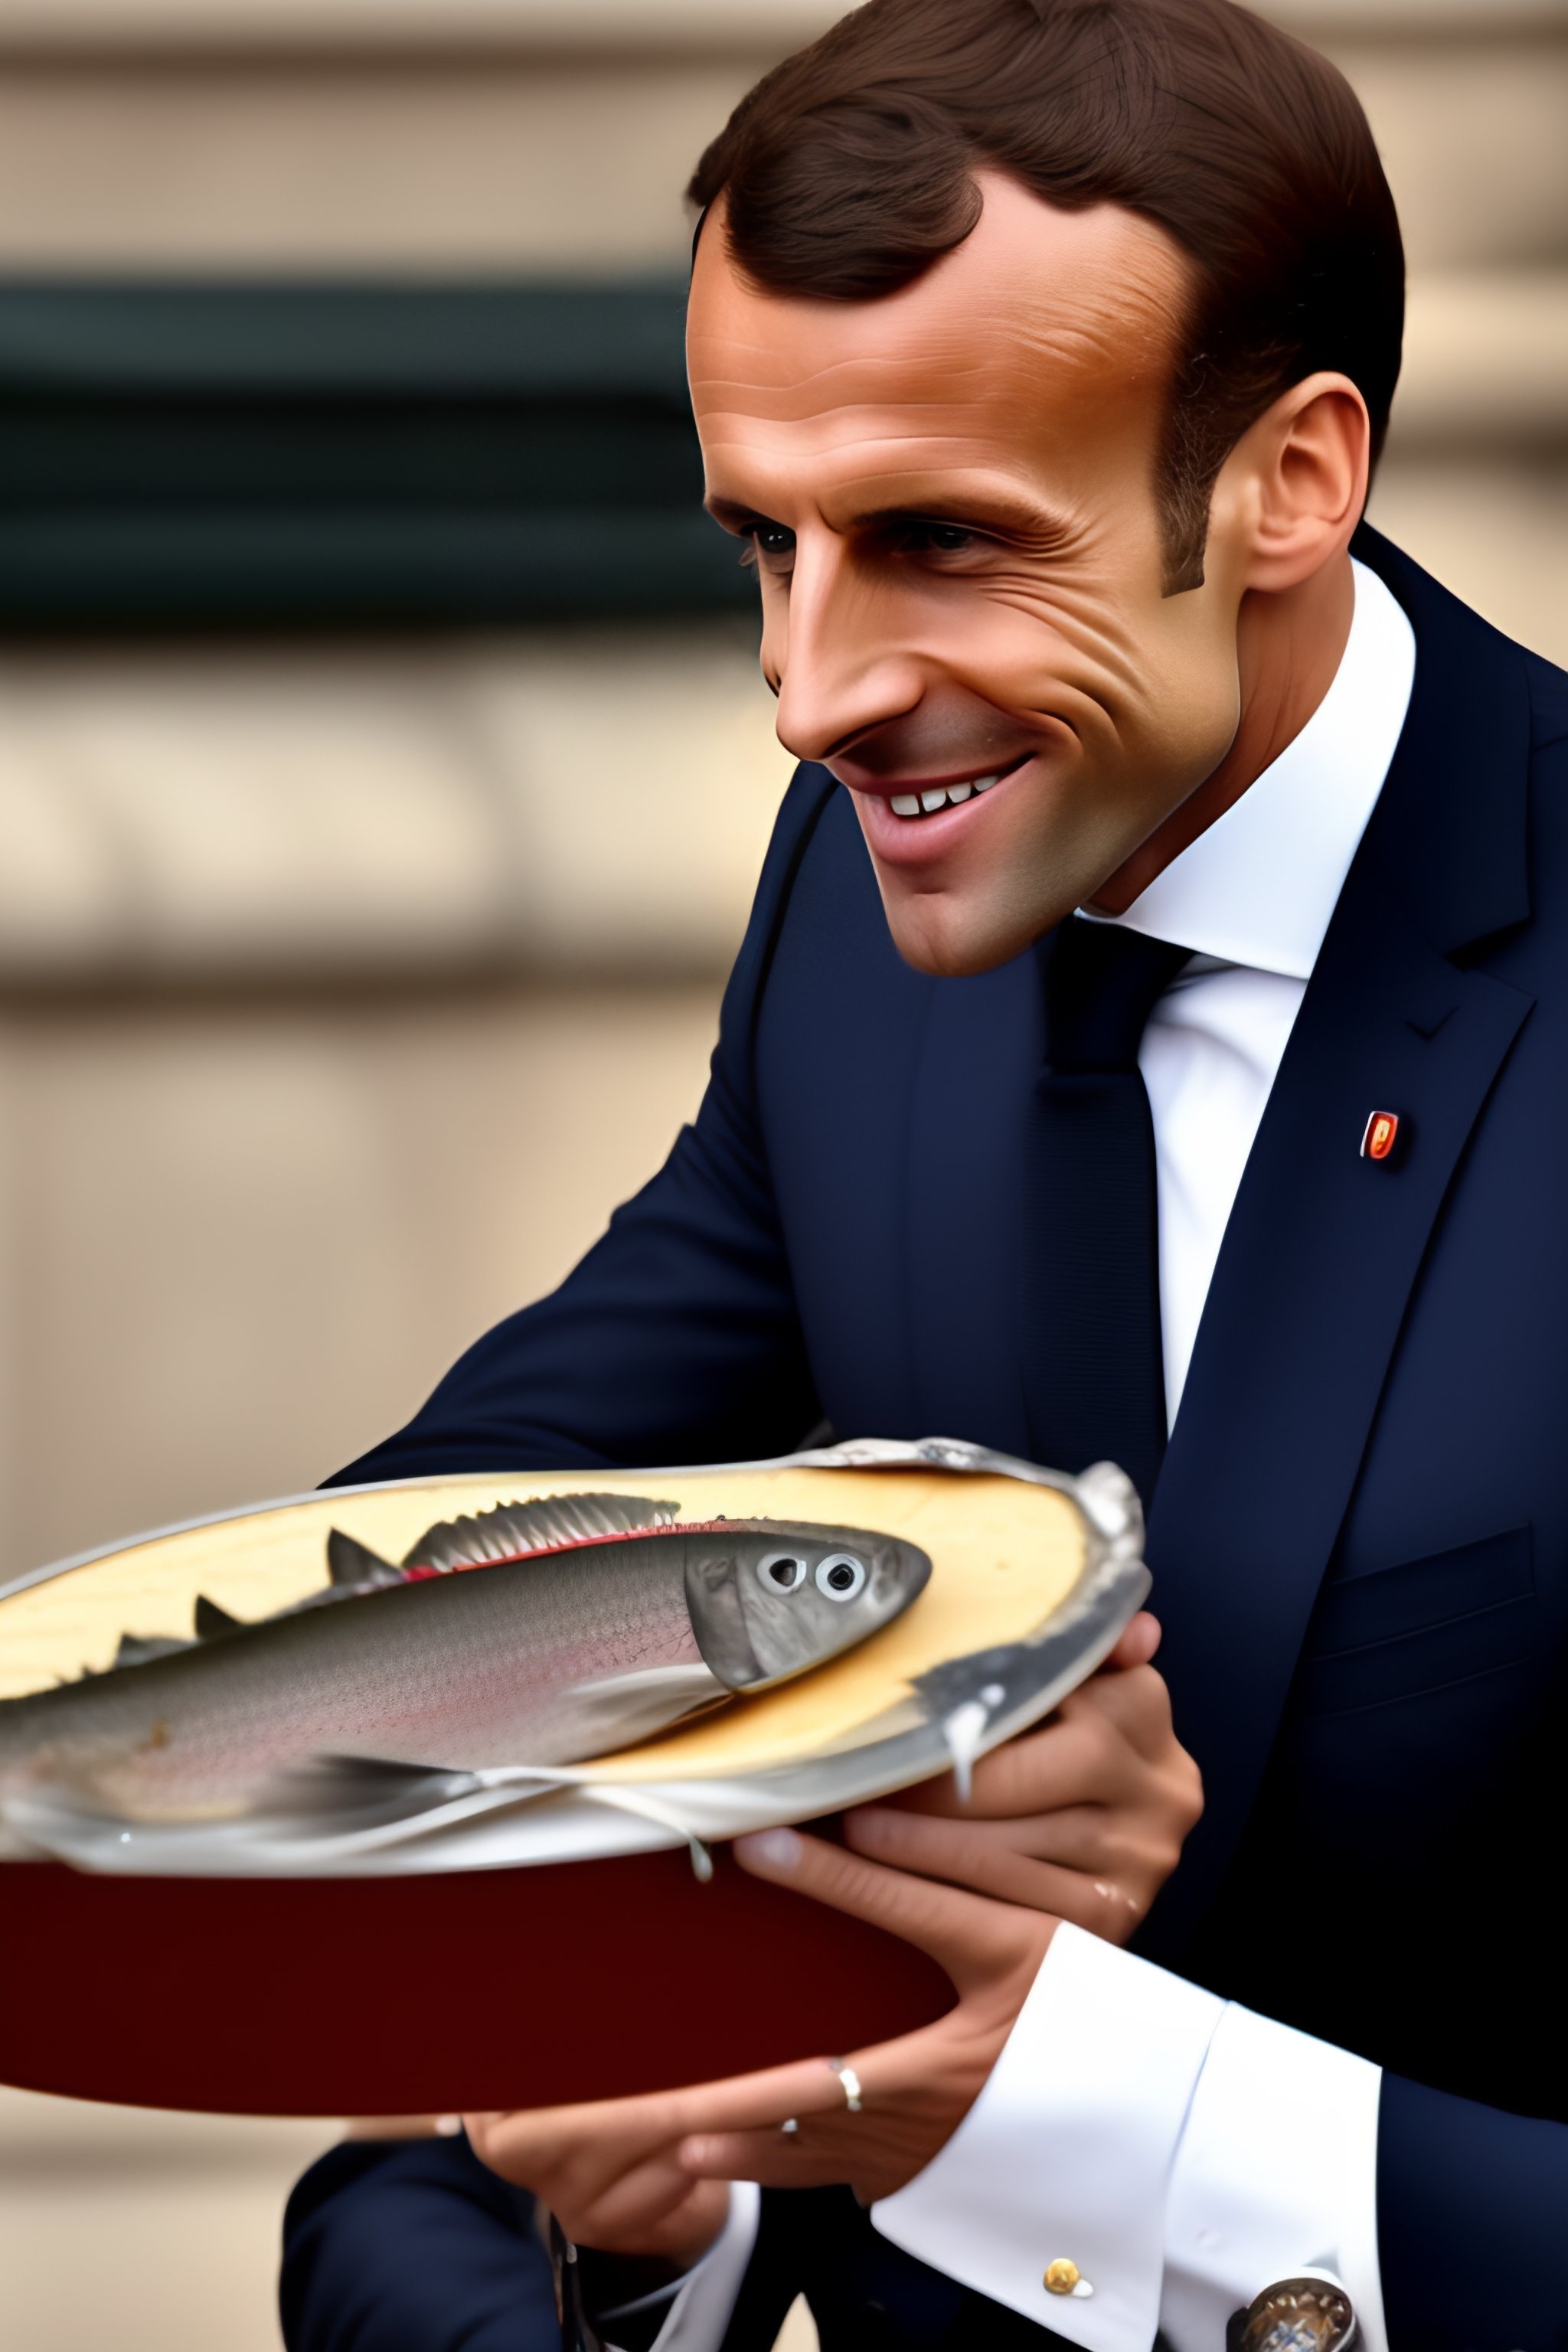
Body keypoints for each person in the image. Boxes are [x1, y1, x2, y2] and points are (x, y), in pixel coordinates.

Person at [281, 2, 1568, 2347]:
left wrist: (1068, 2096)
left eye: (937, 543)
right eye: (762, 544)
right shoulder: (861, 916)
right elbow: (416, 1614)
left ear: (1291, 480)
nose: (811, 689)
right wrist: (814, 1772)